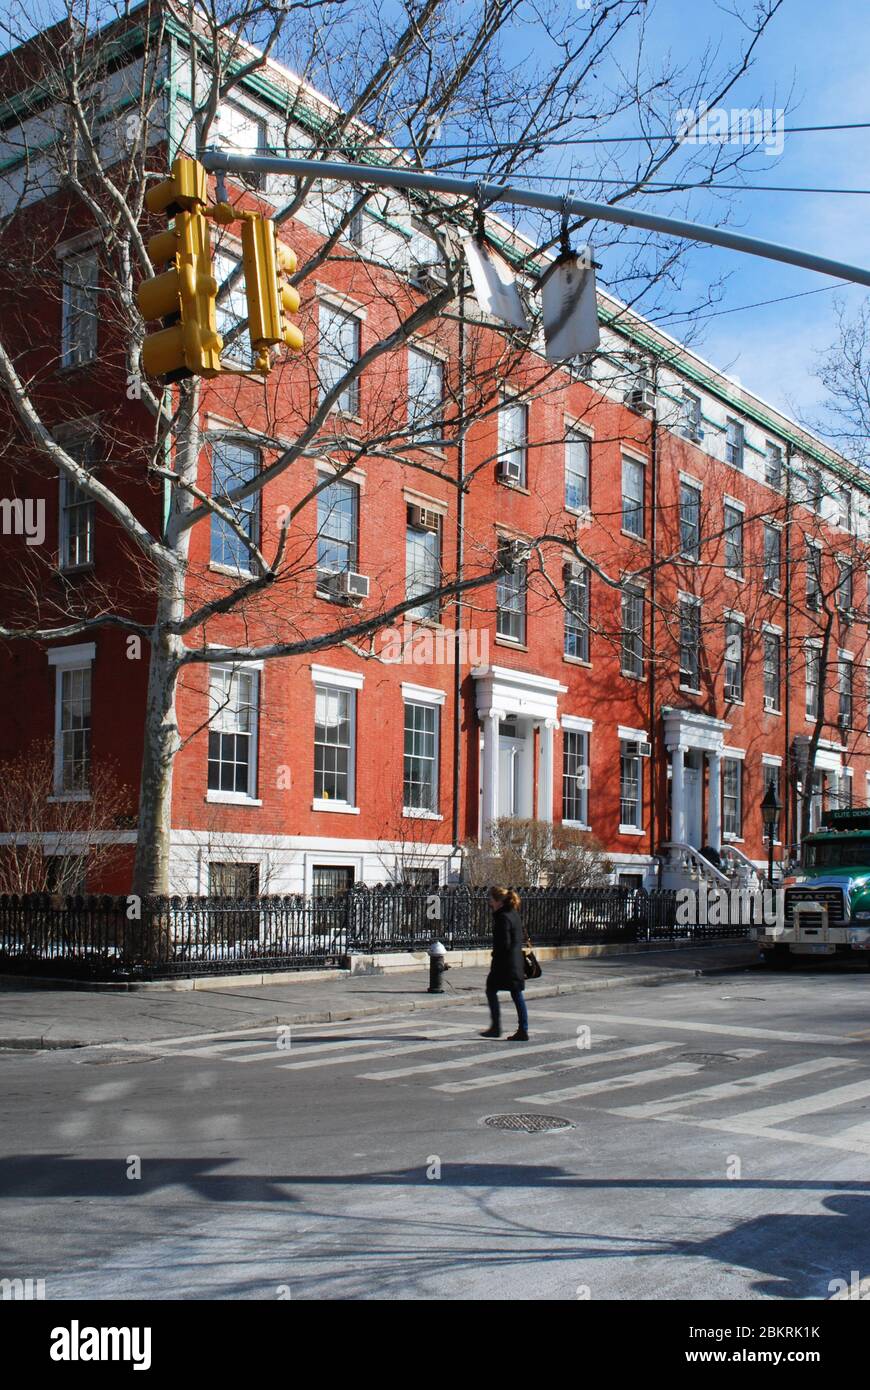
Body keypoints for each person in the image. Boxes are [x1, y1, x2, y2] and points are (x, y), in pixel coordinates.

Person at [480, 885, 529, 1041]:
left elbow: (504, 943)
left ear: (498, 901)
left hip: (505, 964)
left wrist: (496, 954)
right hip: (515, 962)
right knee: (516, 994)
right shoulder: (513, 914)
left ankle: (497, 1027)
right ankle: (523, 1029)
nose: (489, 902)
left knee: (491, 990)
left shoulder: (502, 917)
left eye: (491, 900)